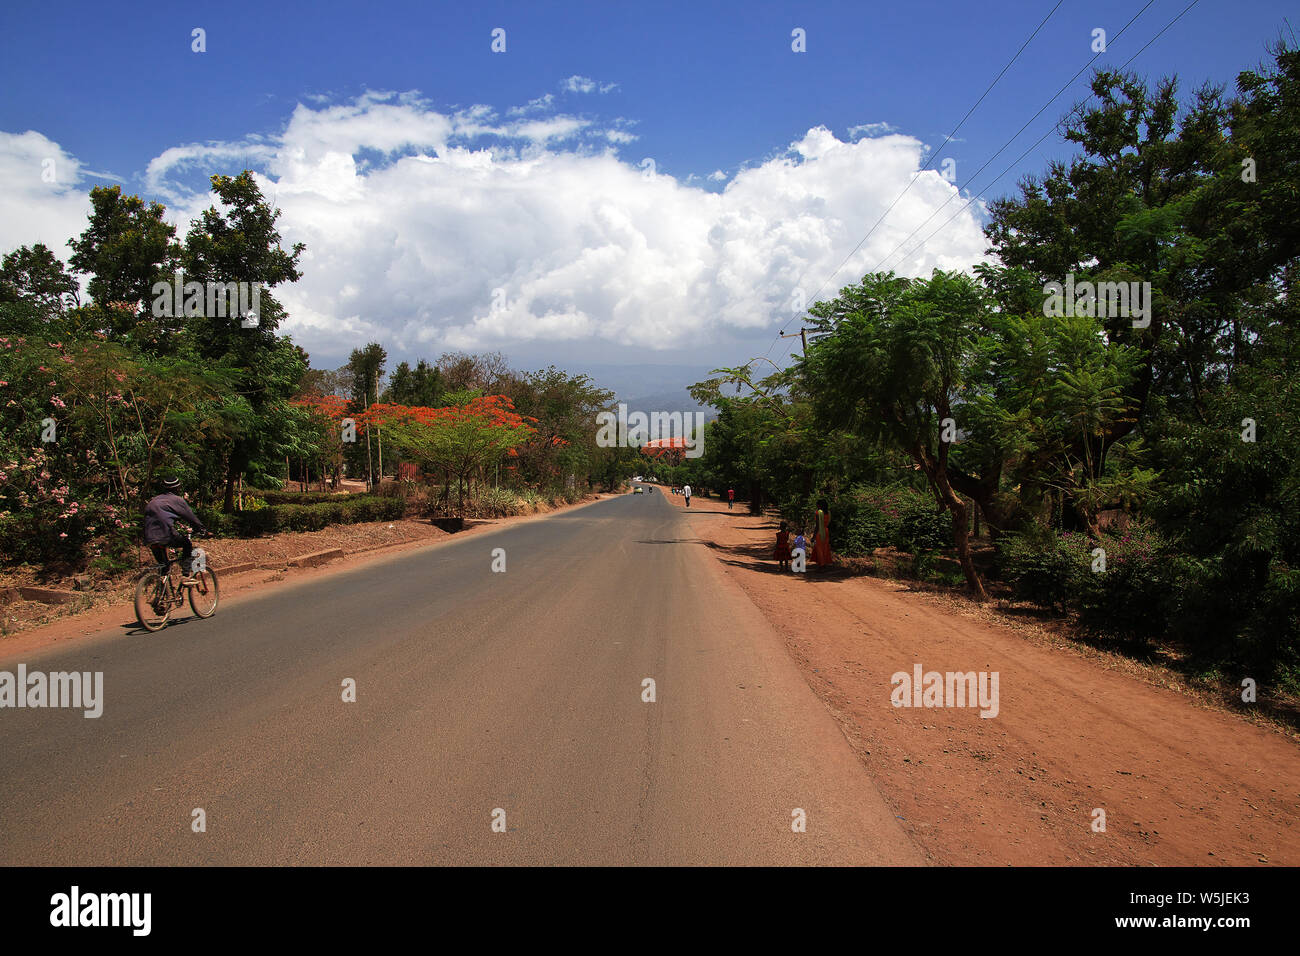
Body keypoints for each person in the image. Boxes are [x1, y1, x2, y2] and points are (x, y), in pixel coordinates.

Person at [143, 476, 208, 580]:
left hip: (149, 537)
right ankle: (185, 575)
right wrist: (201, 529)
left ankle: (163, 588)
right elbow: (191, 518)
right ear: (178, 488)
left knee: (164, 567)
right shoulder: (177, 500)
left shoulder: (154, 501)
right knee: (187, 544)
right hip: (166, 534)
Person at [812, 499, 832, 568]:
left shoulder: (818, 512)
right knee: (825, 548)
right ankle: (824, 564)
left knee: (819, 549)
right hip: (826, 531)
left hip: (820, 532)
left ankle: (821, 565)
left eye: (817, 504)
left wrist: (813, 536)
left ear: (820, 505)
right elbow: (828, 523)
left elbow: (817, 525)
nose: (816, 506)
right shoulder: (828, 512)